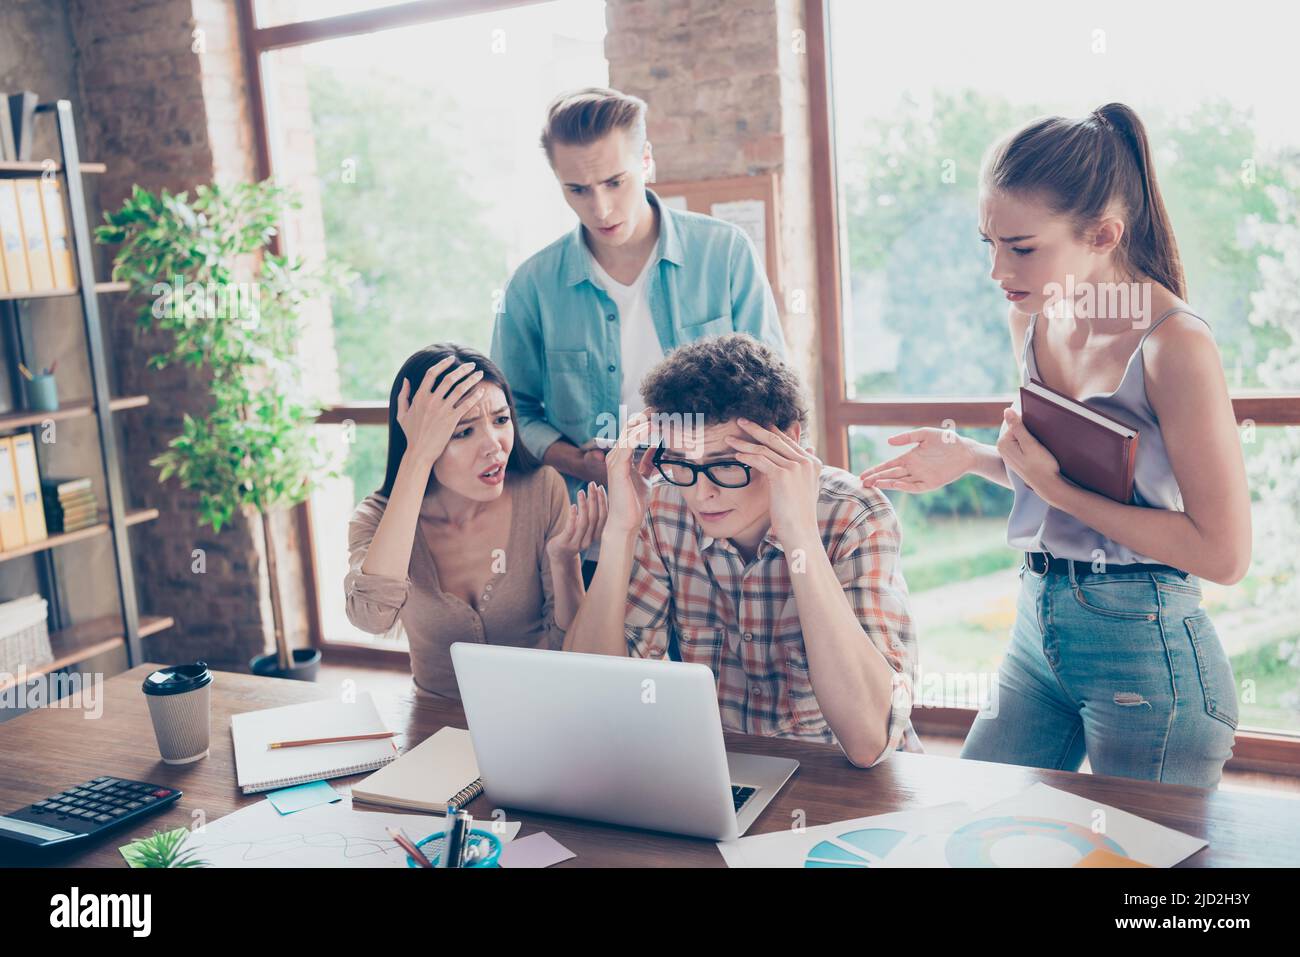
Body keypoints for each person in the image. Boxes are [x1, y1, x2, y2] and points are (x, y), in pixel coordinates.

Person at [860, 103, 1250, 788]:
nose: (997, 270)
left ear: (1103, 234)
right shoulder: (1033, 316)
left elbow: (1223, 553)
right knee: (974, 821)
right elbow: (1063, 478)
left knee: (1139, 885)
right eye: (990, 243)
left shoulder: (1175, 345)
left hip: (1147, 647)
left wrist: (1056, 487)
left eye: (1021, 246)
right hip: (1039, 628)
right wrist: (973, 459)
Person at [564, 333, 920, 768]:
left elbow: (868, 742)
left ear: (789, 441)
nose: (702, 494)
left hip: (847, 779)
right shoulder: (661, 506)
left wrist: (801, 538)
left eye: (726, 465)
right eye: (681, 464)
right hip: (726, 772)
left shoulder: (855, 516)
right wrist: (621, 528)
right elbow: (592, 704)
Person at [490, 86, 787, 584]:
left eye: (614, 181)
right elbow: (512, 409)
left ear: (646, 160)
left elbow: (773, 392)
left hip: (717, 521)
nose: (601, 208)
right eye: (577, 190)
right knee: (605, 660)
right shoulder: (532, 284)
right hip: (596, 529)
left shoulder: (725, 252)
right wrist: (578, 462)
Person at [344, 344, 607, 700]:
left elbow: (574, 651)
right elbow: (371, 617)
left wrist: (564, 561)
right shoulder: (376, 519)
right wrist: (418, 458)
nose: (494, 446)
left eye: (501, 420)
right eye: (463, 431)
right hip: (433, 722)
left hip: (542, 708)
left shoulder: (541, 489)